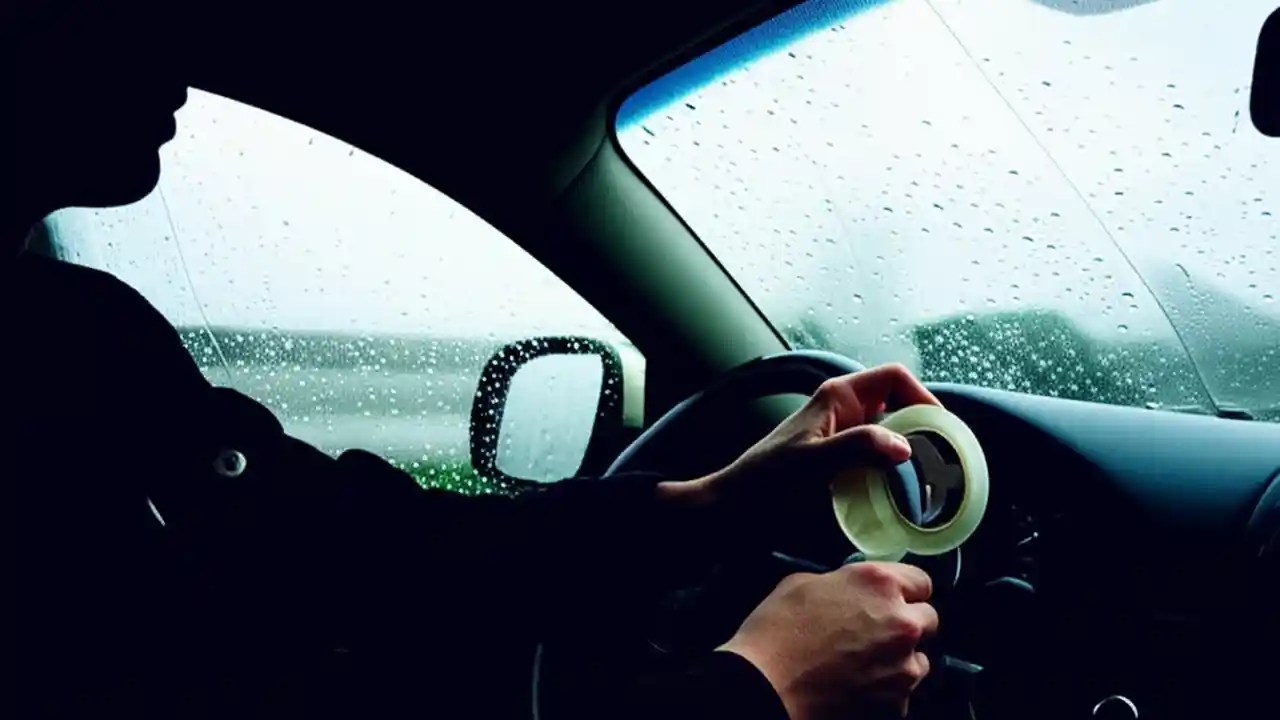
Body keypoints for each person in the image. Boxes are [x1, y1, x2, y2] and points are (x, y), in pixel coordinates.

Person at [6, 2, 939, 718]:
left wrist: (708, 503)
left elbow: (350, 549)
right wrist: (764, 688)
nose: (187, 41)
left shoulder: (80, 331)